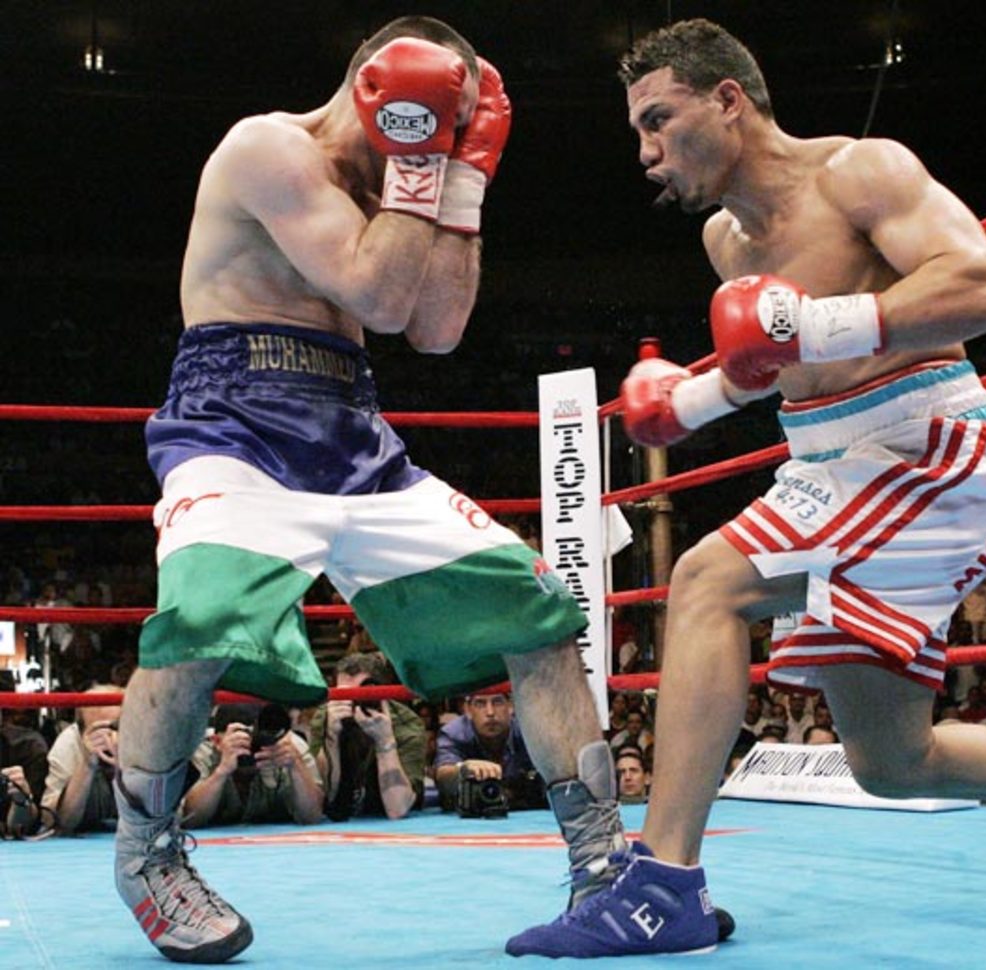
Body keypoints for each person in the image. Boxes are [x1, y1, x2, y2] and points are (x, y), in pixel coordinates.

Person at [506, 18, 986, 958]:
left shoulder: (860, 171)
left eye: (658, 120)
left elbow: (985, 287)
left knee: (706, 581)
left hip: (927, 450)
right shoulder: (724, 241)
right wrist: (688, 403)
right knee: (893, 762)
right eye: (638, 131)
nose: (646, 152)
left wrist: (817, 324)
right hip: (828, 465)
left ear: (729, 100)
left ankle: (662, 885)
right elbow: (773, 360)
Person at [111, 16, 626, 963]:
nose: (443, 140)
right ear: (380, 90)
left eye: (459, 128)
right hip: (234, 431)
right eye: (438, 119)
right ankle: (147, 852)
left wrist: (463, 180)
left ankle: (605, 870)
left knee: (542, 614)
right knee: (199, 620)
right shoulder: (269, 147)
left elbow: (436, 329)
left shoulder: (396, 190)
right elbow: (382, 298)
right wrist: (427, 167)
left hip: (356, 441)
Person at [309, 652, 425, 820]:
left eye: (361, 694)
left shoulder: (406, 723)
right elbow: (325, 800)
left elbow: (397, 808)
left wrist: (385, 741)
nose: (354, 703)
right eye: (345, 695)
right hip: (343, 812)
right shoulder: (326, 717)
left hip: (386, 815)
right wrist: (332, 739)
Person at [181, 703, 324, 827]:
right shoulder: (201, 751)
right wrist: (221, 771)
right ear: (216, 741)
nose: (252, 746)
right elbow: (191, 819)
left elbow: (311, 817)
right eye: (242, 737)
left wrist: (296, 765)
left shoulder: (287, 747)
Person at [433, 692, 542, 811]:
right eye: (480, 704)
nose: (490, 712)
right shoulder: (454, 733)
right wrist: (462, 769)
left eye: (498, 702)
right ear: (468, 710)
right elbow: (442, 777)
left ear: (511, 706)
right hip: (471, 813)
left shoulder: (530, 732)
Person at [42, 685, 123, 835]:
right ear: (80, 731)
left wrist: (127, 765)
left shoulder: (147, 740)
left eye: (116, 727)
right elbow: (59, 822)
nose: (109, 737)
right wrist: (87, 763)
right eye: (99, 729)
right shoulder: (69, 743)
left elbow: (161, 816)